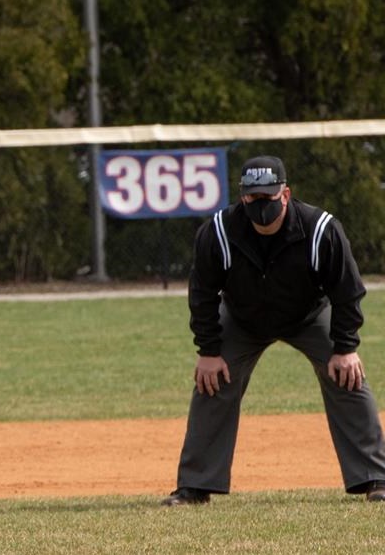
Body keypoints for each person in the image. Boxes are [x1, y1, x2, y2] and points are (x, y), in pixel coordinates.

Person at [162, 155, 385, 506]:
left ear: (286, 194)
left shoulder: (321, 229)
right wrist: (208, 351)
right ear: (242, 197)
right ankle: (194, 486)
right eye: (253, 198)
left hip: (309, 315)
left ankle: (376, 478)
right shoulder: (219, 232)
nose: (261, 205)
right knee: (212, 382)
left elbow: (348, 291)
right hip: (242, 318)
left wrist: (345, 347)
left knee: (348, 376)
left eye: (268, 196)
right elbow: (202, 295)